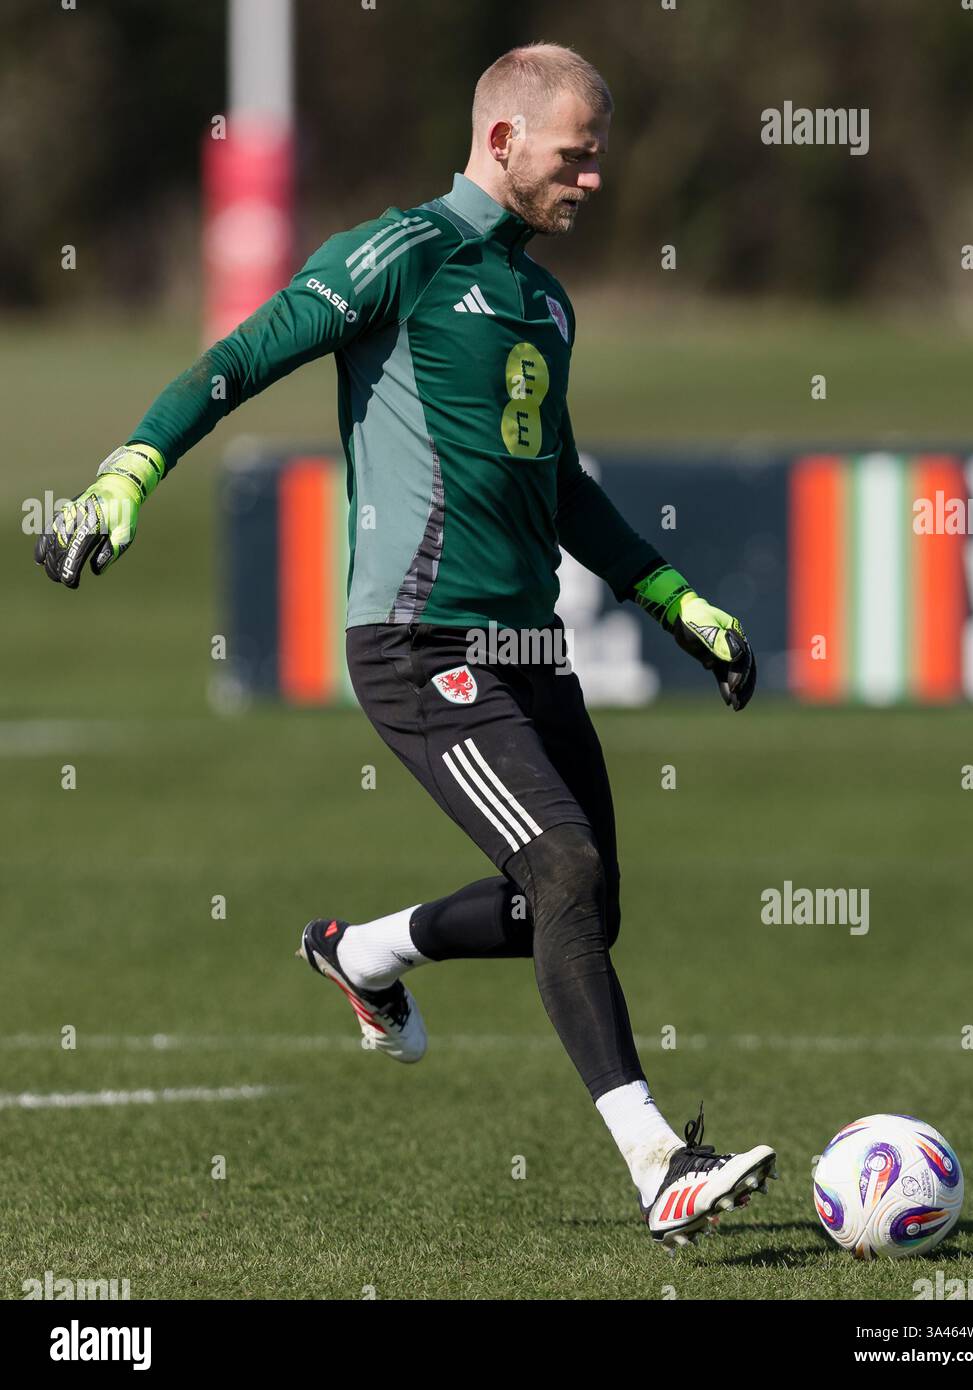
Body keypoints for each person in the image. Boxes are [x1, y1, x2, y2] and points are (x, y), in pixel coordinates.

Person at [34, 42, 775, 1247]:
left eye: (598, 156)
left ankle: (360, 955)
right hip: (418, 640)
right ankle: (658, 1163)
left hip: (530, 649)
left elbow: (563, 493)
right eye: (576, 154)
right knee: (566, 868)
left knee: (574, 908)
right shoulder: (400, 254)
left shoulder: (544, 300)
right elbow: (233, 363)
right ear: (502, 141)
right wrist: (129, 472)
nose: (594, 177)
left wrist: (678, 603)